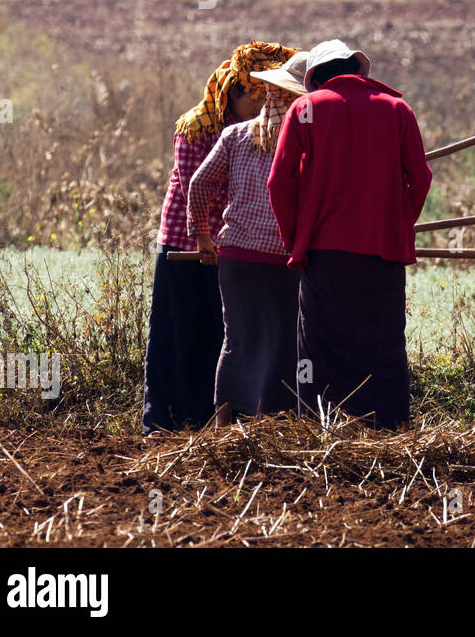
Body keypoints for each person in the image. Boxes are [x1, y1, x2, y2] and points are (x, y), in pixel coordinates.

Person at [267, 39, 433, 429]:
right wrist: (398, 225)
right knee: (383, 344)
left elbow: (279, 182)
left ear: (316, 79)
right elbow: (421, 178)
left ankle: (320, 429)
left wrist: (294, 242)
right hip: (384, 254)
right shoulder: (397, 109)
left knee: (319, 349)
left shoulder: (306, 108)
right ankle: (389, 430)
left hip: (324, 254)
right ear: (356, 70)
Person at [143, 41, 296, 435]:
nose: (262, 107)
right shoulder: (199, 127)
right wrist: (208, 238)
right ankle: (170, 421)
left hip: (230, 244)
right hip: (189, 241)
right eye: (257, 98)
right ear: (237, 92)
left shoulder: (256, 129)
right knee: (183, 331)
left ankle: (220, 421)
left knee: (224, 332)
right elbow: (206, 191)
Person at [188, 51, 308, 426]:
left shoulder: (235, 135)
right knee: (282, 342)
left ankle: (225, 420)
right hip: (283, 259)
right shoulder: (305, 144)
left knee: (237, 339)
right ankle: (272, 420)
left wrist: (203, 237)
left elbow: (198, 185)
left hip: (237, 258)